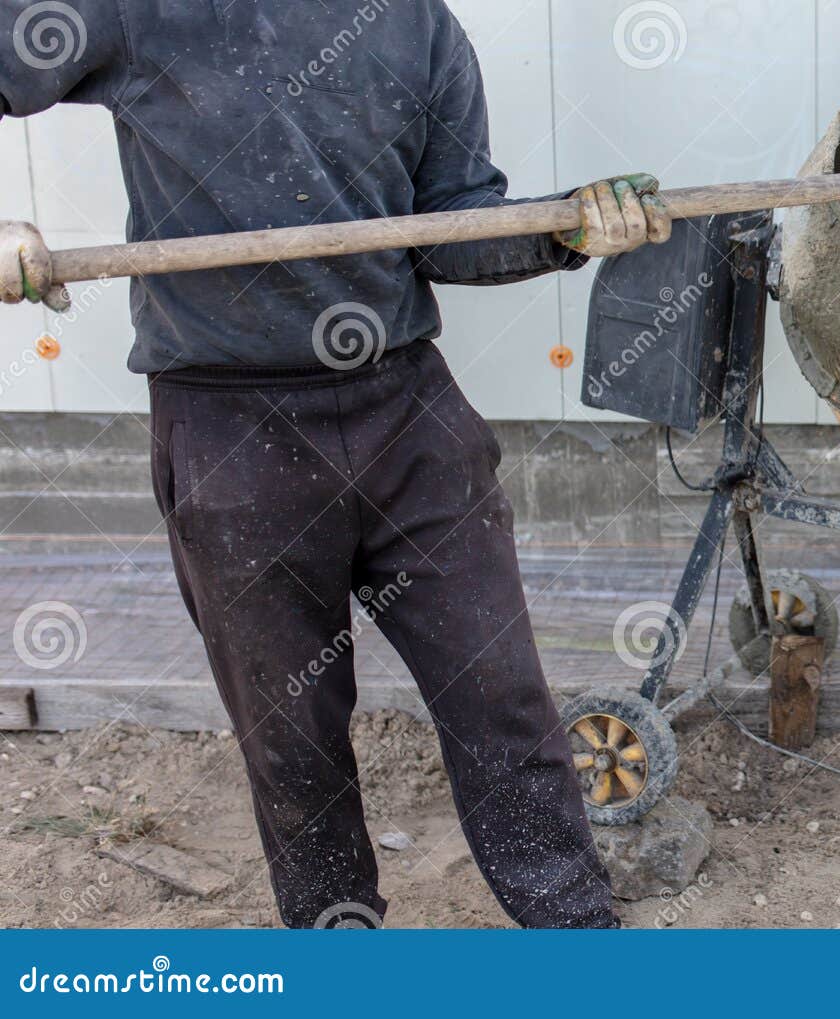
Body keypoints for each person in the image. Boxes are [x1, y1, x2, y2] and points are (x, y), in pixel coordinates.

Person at [0, 0, 671, 929]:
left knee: (503, 701)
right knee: (292, 739)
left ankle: (577, 937)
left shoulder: (417, 24)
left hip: (407, 413)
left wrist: (566, 229)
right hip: (229, 431)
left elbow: (454, 226)